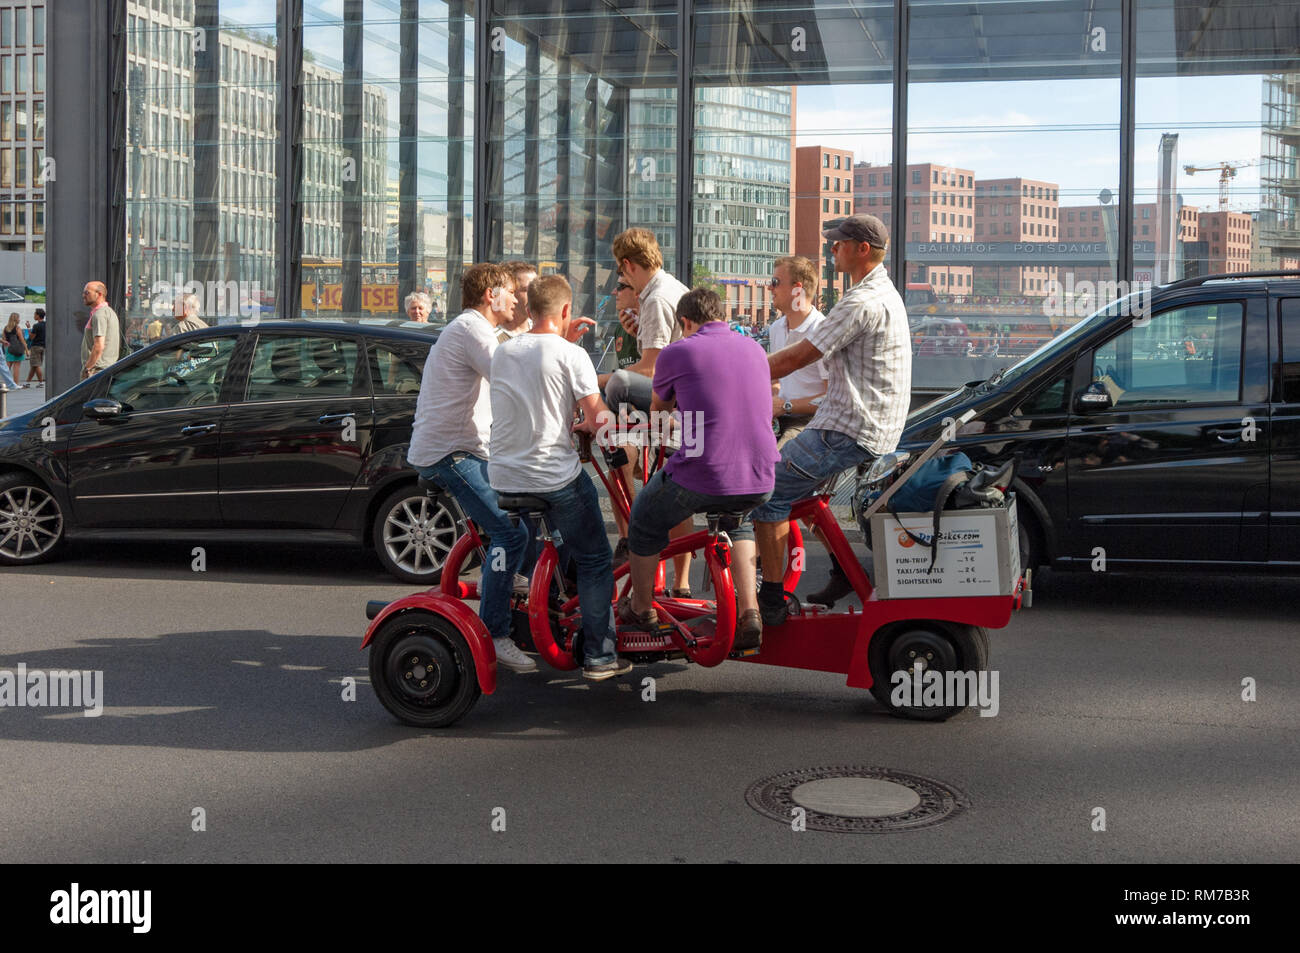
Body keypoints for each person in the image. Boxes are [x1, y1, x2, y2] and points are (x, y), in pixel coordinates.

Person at [407, 263, 593, 675]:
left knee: (531, 520)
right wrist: (559, 342)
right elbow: (517, 373)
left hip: (466, 448)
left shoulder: (476, 330)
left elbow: (519, 361)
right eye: (511, 292)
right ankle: (495, 631)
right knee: (510, 532)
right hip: (449, 453)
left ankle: (518, 582)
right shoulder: (472, 329)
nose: (517, 300)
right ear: (491, 295)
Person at [752, 215, 912, 623]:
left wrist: (732, 374)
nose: (832, 249)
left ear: (862, 249)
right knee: (805, 497)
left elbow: (795, 360)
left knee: (765, 489)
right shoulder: (885, 293)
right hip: (869, 426)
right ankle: (843, 571)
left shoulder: (859, 302)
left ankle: (769, 600)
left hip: (847, 428)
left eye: (839, 243)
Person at [620, 287, 778, 650]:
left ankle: (642, 608)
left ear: (685, 322)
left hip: (707, 469)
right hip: (760, 472)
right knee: (737, 523)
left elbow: (659, 412)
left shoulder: (679, 350)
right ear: (720, 315)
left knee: (643, 518)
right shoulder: (754, 348)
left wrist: (669, 423)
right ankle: (749, 612)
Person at [489, 274, 629, 681]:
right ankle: (600, 655)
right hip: (552, 477)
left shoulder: (503, 352)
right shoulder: (572, 355)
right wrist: (613, 439)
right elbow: (596, 415)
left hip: (505, 476)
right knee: (596, 557)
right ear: (567, 311)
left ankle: (551, 616)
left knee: (565, 540)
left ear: (529, 310)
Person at [603, 227, 693, 587]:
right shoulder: (670, 287)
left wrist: (595, 382)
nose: (620, 283)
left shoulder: (656, 298)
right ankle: (680, 581)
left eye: (620, 274)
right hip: (685, 406)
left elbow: (650, 371)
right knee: (669, 487)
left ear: (627, 264)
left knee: (665, 491)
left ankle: (636, 553)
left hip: (673, 410)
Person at [767, 256, 829, 450]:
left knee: (776, 467)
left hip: (810, 422)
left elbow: (831, 397)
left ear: (797, 289)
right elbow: (775, 380)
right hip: (779, 418)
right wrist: (774, 399)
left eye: (775, 282)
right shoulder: (776, 327)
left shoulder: (822, 331)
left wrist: (785, 405)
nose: (770, 288)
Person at [81, 281, 122, 380]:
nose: (83, 296)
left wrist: (87, 368)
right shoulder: (109, 312)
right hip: (104, 369)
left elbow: (99, 346)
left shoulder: (100, 314)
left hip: (97, 371)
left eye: (87, 293)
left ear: (99, 294)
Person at [496, 262, 538, 342]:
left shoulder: (541, 330)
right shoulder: (492, 338)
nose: (536, 294)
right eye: (527, 290)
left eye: (538, 288)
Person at [4, 313, 27, 383]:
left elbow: (4, 340)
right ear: (16, 319)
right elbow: (22, 340)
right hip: (18, 349)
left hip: (9, 349)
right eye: (19, 318)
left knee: (7, 367)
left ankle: (7, 383)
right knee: (16, 367)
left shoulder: (6, 328)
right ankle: (15, 384)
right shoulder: (17, 328)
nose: (19, 319)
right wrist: (26, 350)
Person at [24, 309, 45, 386]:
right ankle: (27, 382)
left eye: (35, 314)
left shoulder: (36, 326)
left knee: (36, 365)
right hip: (43, 346)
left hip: (36, 347)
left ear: (38, 315)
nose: (34, 316)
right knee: (34, 365)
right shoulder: (46, 324)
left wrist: (29, 328)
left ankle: (41, 382)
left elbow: (31, 337)